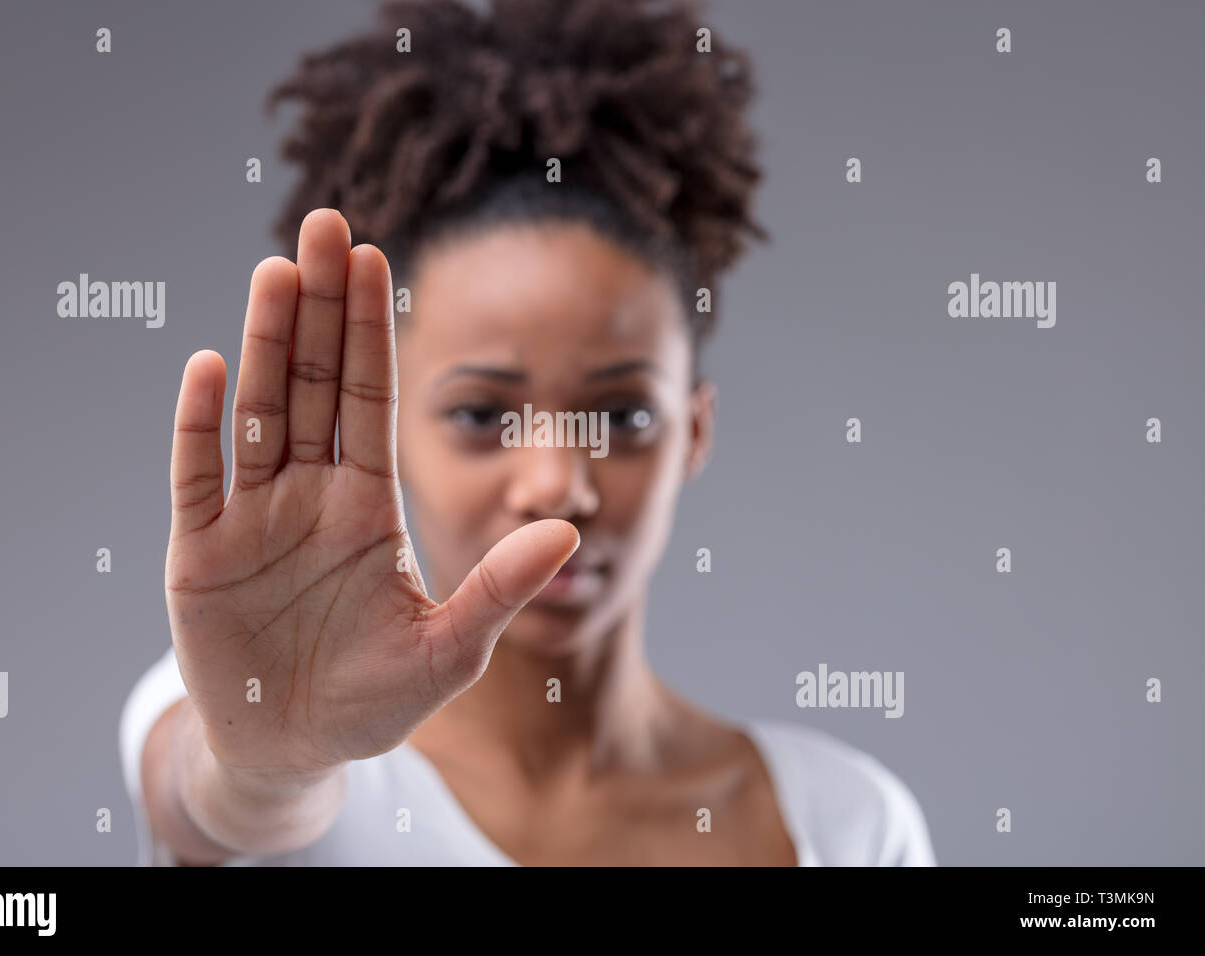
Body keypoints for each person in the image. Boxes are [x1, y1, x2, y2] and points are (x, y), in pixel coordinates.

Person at [120, 0, 936, 866]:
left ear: (694, 433)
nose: (557, 485)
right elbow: (218, 799)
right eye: (481, 415)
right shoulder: (272, 712)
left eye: (622, 416)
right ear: (384, 430)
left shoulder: (845, 825)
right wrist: (268, 771)